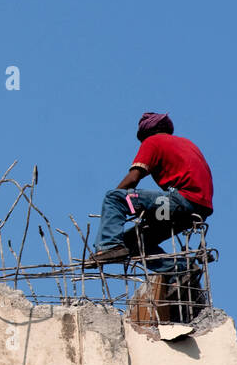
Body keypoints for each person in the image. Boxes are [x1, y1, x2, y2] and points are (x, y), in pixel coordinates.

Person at [85, 113, 214, 271]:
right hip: (193, 211)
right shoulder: (188, 144)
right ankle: (182, 271)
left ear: (145, 133)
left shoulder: (153, 141)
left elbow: (133, 178)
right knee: (135, 243)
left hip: (180, 201)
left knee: (114, 198)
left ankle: (109, 246)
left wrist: (119, 203)